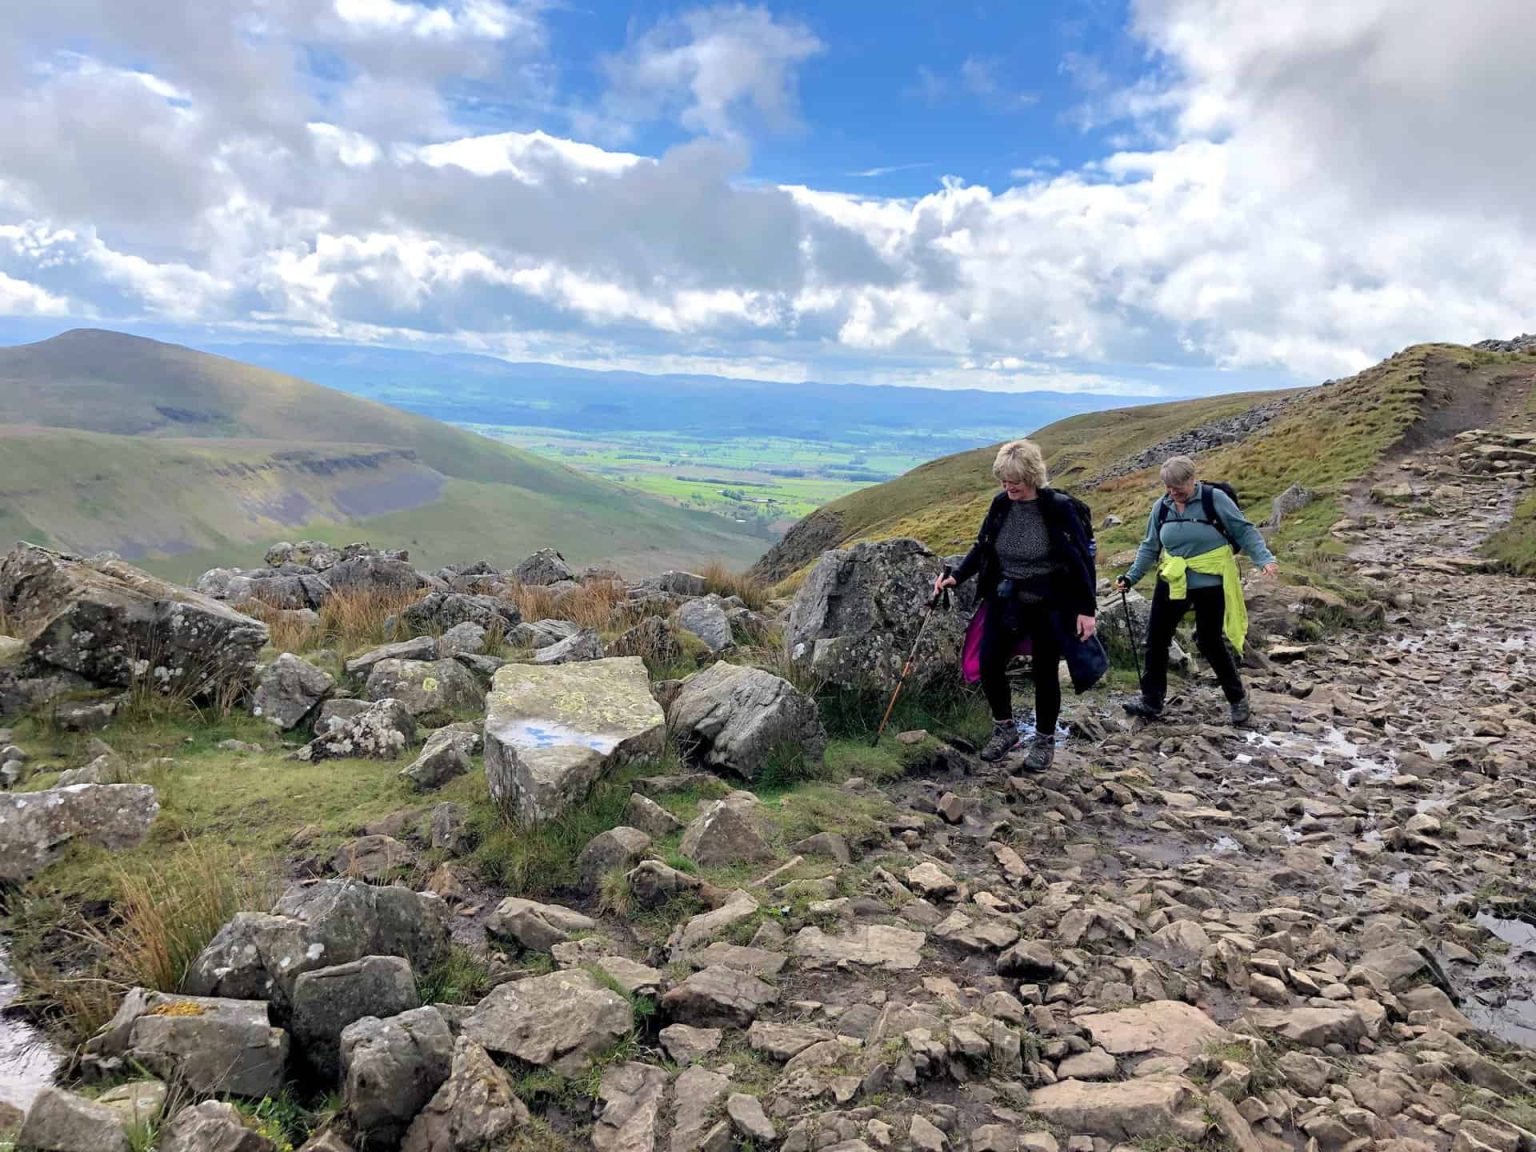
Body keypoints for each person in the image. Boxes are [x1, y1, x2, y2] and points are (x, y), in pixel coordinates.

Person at [935, 439, 1098, 769]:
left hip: (1048, 602)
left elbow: (1081, 560)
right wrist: (958, 576)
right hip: (1006, 598)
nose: (1008, 486)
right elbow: (983, 547)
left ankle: (1044, 739)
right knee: (990, 661)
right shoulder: (1001, 505)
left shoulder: (1058, 508)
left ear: (1033, 477)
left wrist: (1087, 610)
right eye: (1003, 480)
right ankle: (1005, 728)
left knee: (1044, 671)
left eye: (1015, 481)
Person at [1115, 455, 1278, 724]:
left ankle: (1237, 699)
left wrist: (1264, 559)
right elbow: (1150, 546)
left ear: (1192, 479)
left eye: (1178, 486)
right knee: (1156, 640)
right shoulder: (1162, 507)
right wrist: (1131, 577)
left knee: (1208, 640)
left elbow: (1243, 530)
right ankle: (1151, 701)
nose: (1173, 492)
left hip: (1210, 582)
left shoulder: (1213, 500)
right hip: (1172, 580)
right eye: (1168, 487)